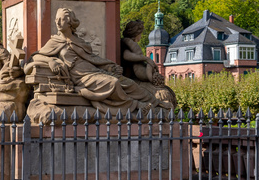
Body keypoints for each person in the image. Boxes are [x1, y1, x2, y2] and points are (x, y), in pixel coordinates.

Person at [28, 8, 170, 118]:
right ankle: (137, 105)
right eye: (56, 19)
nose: (58, 23)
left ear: (70, 22)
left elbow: (92, 58)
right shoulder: (55, 42)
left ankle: (157, 104)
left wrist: (108, 65)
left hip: (94, 70)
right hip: (80, 76)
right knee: (113, 83)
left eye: (62, 19)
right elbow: (35, 58)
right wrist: (51, 60)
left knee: (129, 83)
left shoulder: (79, 41)